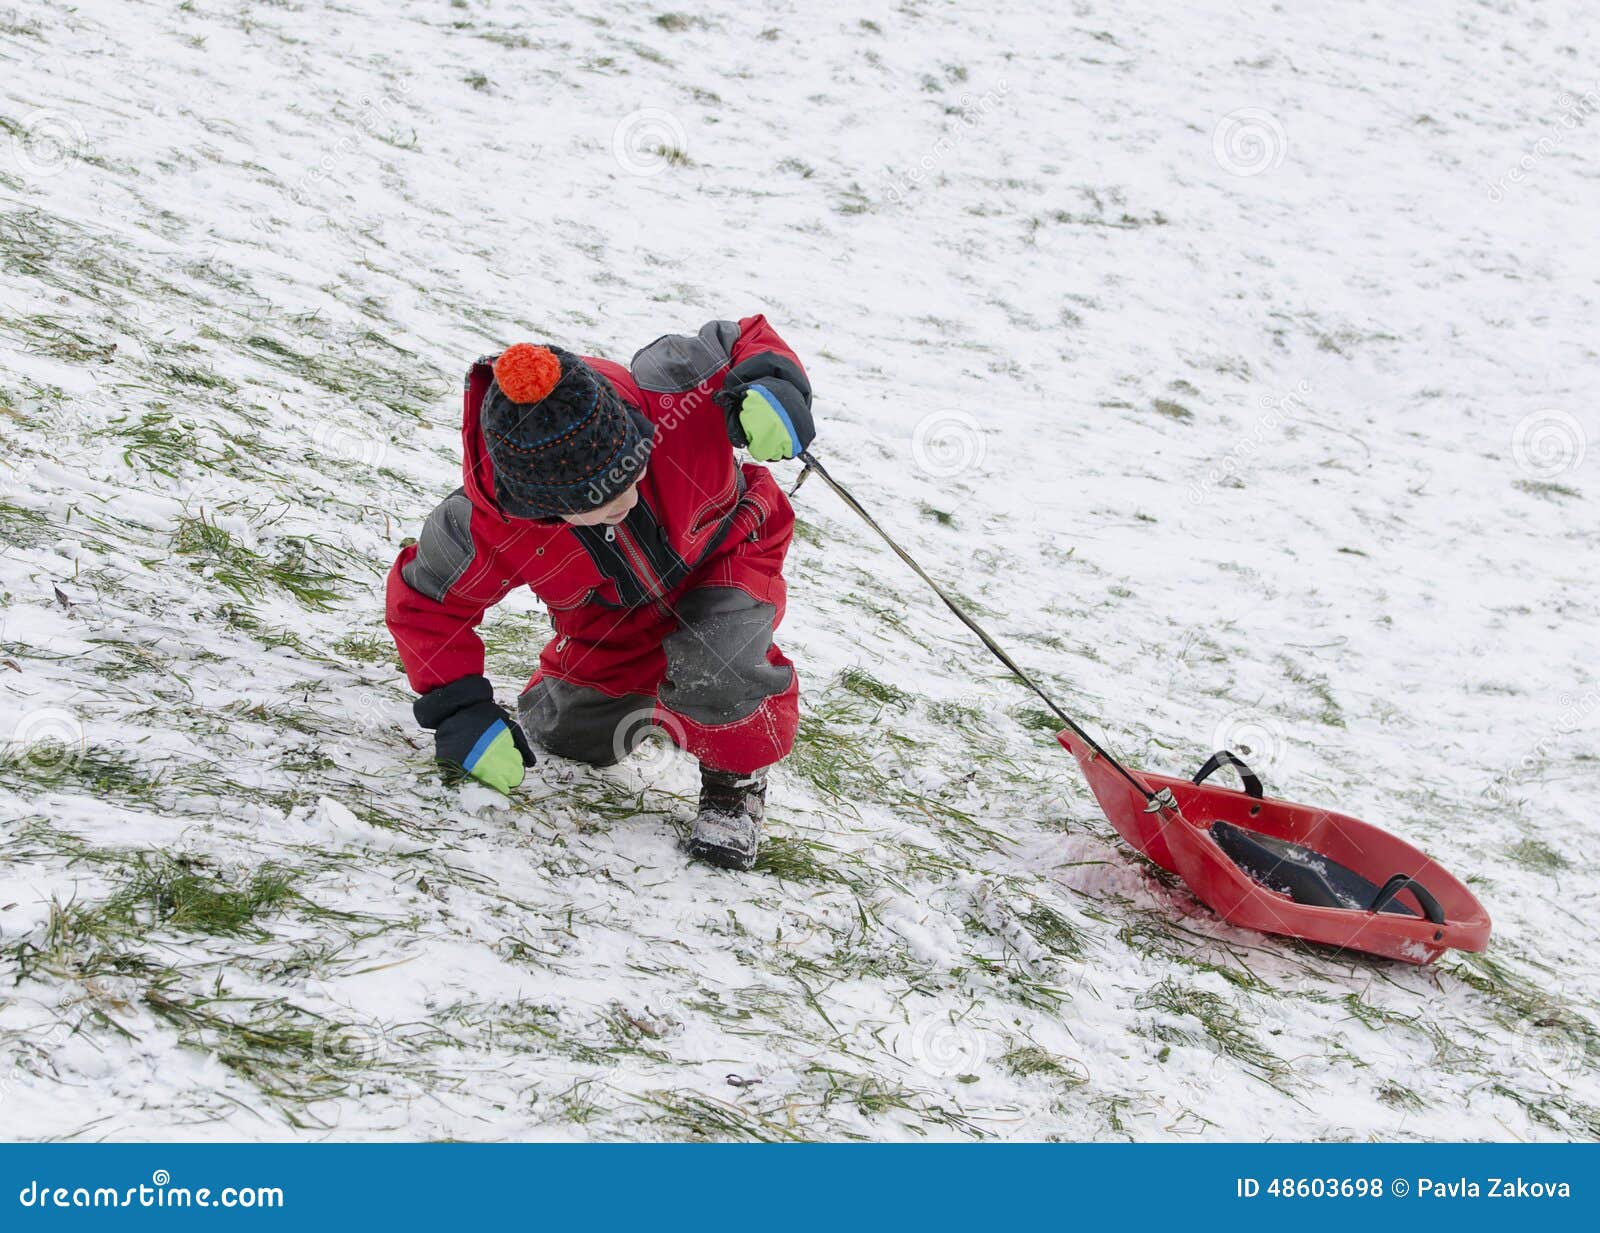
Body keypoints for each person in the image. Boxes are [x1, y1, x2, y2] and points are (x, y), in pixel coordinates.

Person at [385, 316, 815, 870]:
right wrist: (460, 709)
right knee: (570, 735)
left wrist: (772, 386)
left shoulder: (671, 393)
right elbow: (429, 605)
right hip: (613, 617)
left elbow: (742, 339)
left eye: (631, 473)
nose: (623, 500)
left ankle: (734, 784)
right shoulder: (489, 526)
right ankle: (639, 695)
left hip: (725, 551)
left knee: (718, 655)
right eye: (596, 500)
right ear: (539, 503)